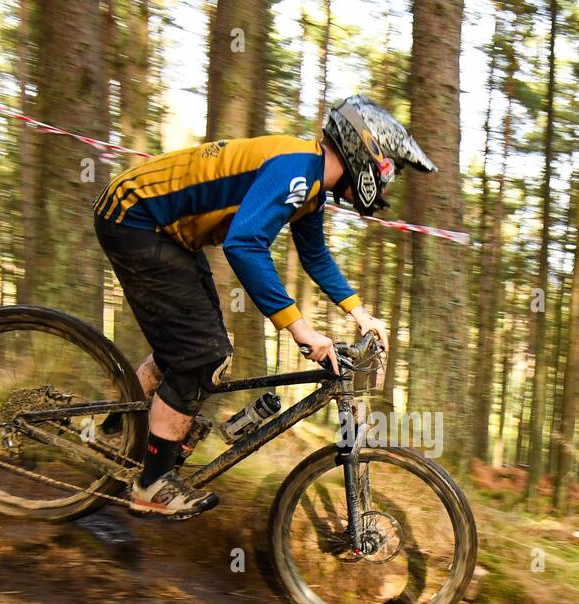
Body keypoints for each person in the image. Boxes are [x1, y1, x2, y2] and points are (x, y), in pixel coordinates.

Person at [93, 95, 437, 519]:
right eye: (388, 169)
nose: (387, 181)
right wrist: (300, 329)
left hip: (162, 227)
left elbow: (315, 256)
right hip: (136, 218)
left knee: (196, 348)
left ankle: (114, 431)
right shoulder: (297, 170)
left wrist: (359, 313)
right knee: (202, 355)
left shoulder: (310, 181)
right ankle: (151, 484)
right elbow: (244, 244)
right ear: (365, 154)